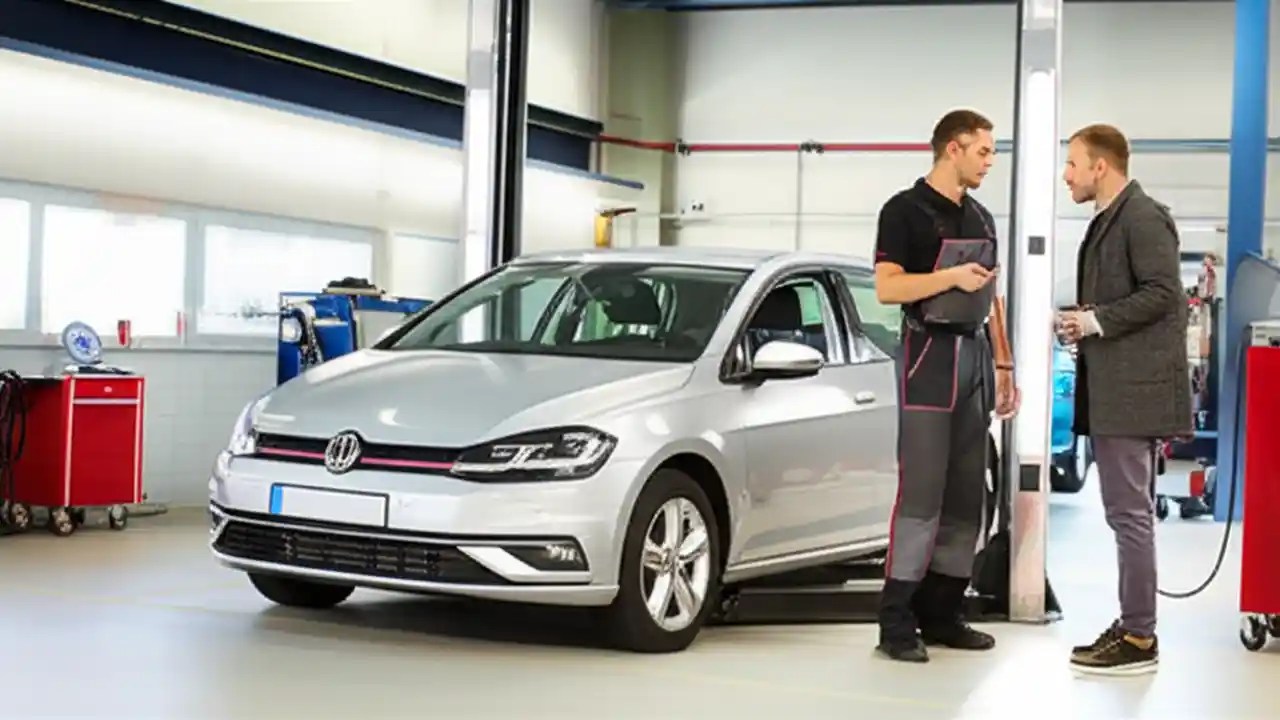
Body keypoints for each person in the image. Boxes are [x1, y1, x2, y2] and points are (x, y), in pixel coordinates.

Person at [872, 109, 1020, 663]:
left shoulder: (981, 216)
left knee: (966, 494)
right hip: (926, 353)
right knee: (922, 494)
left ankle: (944, 612)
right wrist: (949, 278)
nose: (990, 160)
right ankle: (896, 621)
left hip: (975, 355)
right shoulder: (903, 212)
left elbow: (992, 297)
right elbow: (888, 289)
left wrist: (1004, 366)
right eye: (984, 151)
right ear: (952, 149)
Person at [1057, 123, 1191, 675]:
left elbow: (1165, 293)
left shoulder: (1141, 216)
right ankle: (1135, 626)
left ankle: (1139, 638)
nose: (1066, 175)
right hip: (1116, 388)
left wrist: (1095, 320)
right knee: (1126, 514)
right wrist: (1082, 324)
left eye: (1072, 164)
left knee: (1129, 516)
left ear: (1100, 167)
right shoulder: (1111, 220)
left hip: (1133, 395)